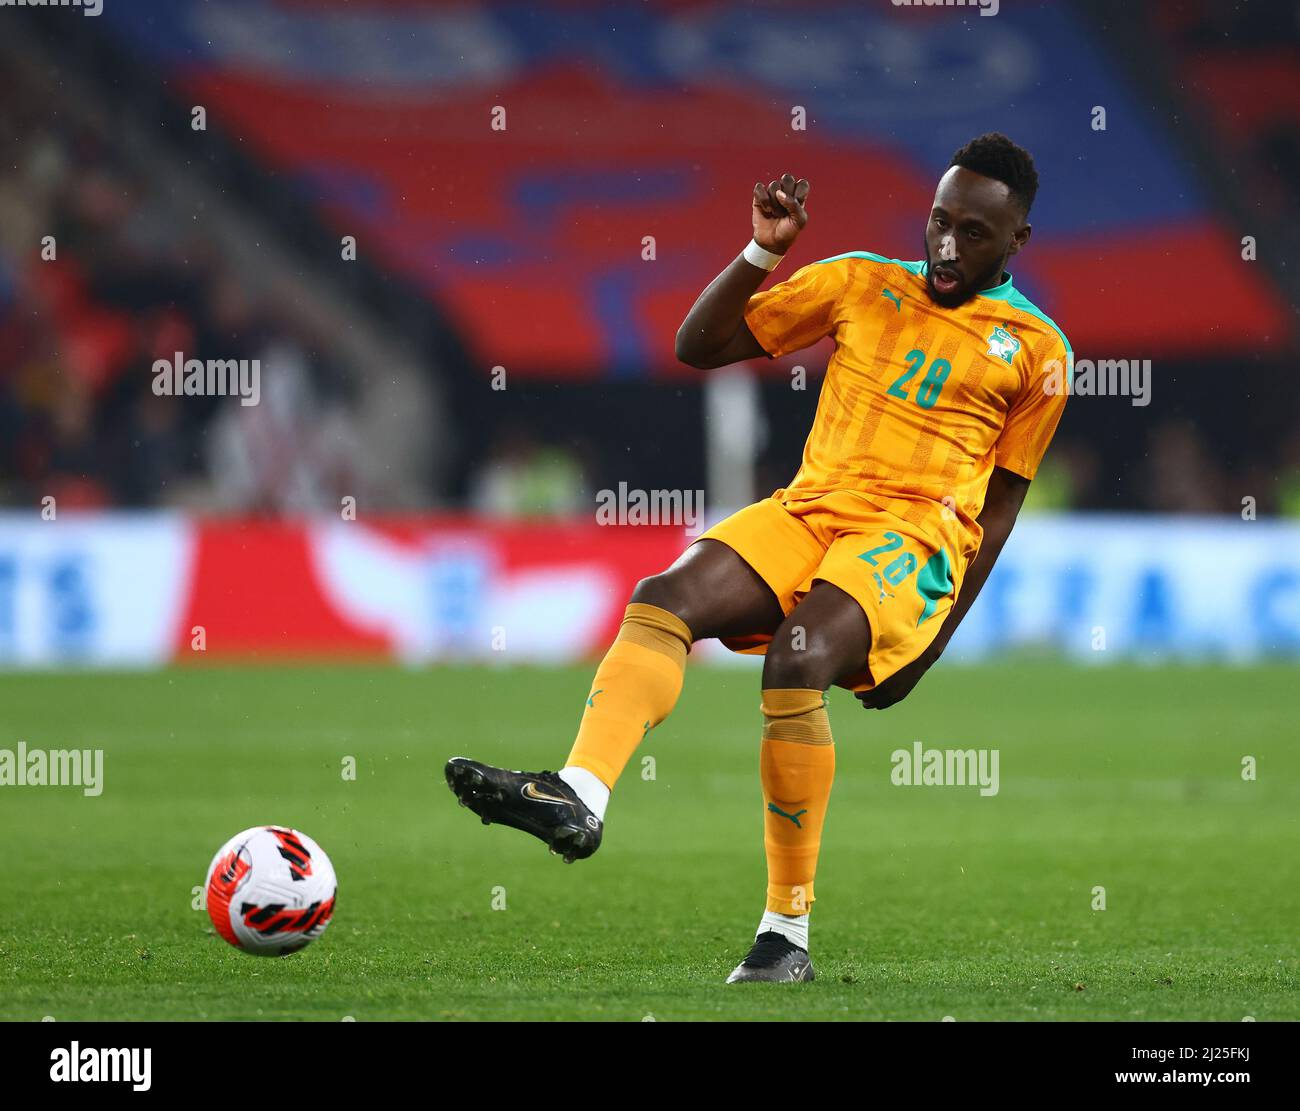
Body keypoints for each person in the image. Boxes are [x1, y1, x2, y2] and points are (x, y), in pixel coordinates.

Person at [447, 133, 1070, 983]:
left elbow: (998, 512)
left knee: (796, 658)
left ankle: (786, 934)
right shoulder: (860, 280)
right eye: (940, 221)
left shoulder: (1039, 350)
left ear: (1017, 241)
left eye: (974, 233)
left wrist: (935, 640)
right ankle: (580, 793)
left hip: (912, 538)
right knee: (662, 596)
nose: (948, 245)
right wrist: (761, 253)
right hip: (809, 508)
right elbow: (698, 345)